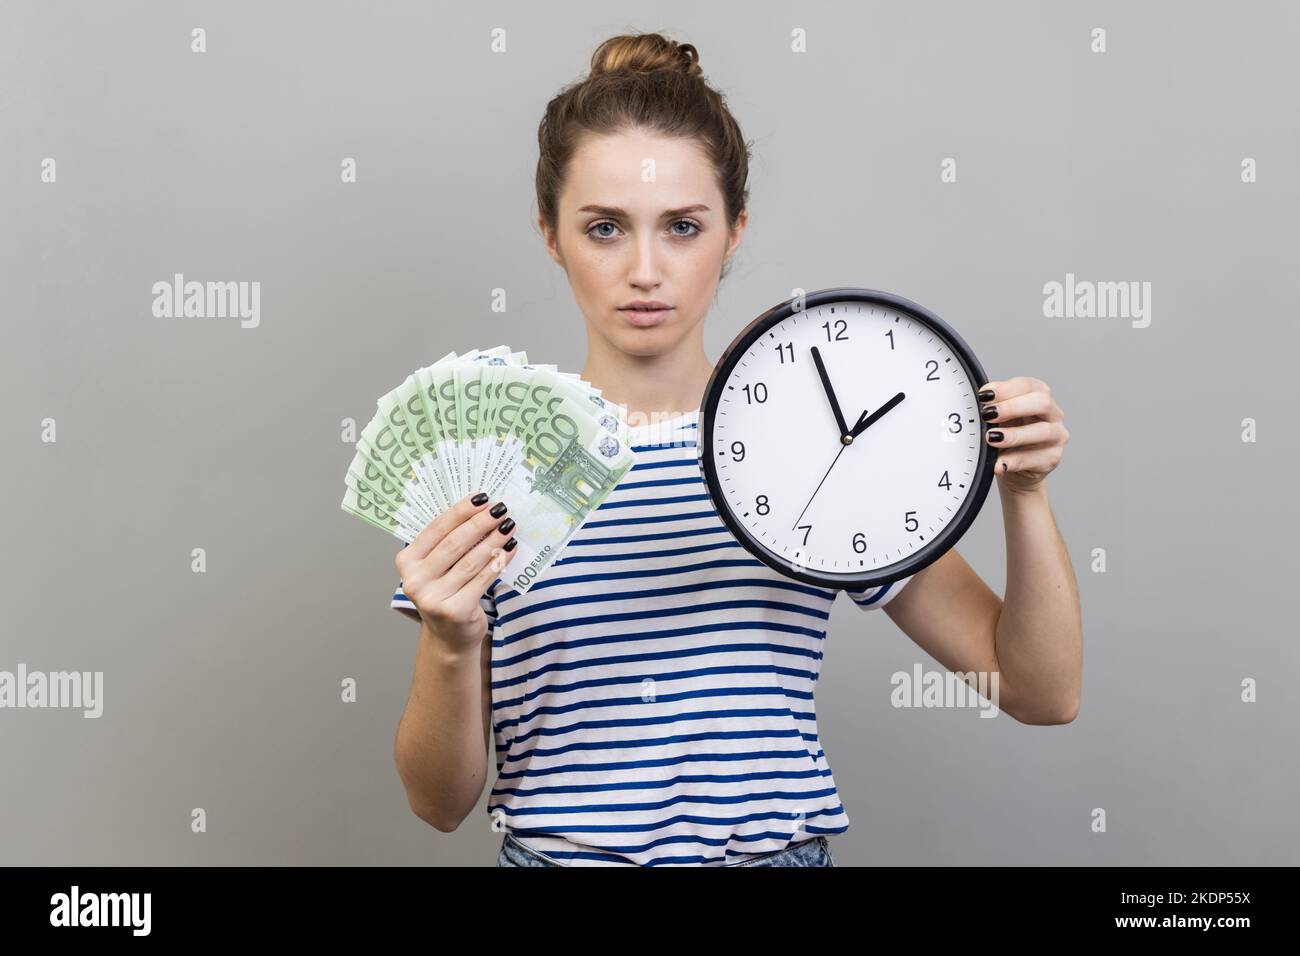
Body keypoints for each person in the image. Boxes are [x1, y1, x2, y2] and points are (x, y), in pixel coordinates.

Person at [389, 31, 1081, 867]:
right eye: (605, 228)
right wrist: (450, 640)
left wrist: (1025, 493)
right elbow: (438, 804)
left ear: (734, 231)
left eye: (682, 226)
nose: (646, 269)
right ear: (550, 235)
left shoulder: (812, 443)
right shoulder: (488, 473)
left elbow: (1041, 692)